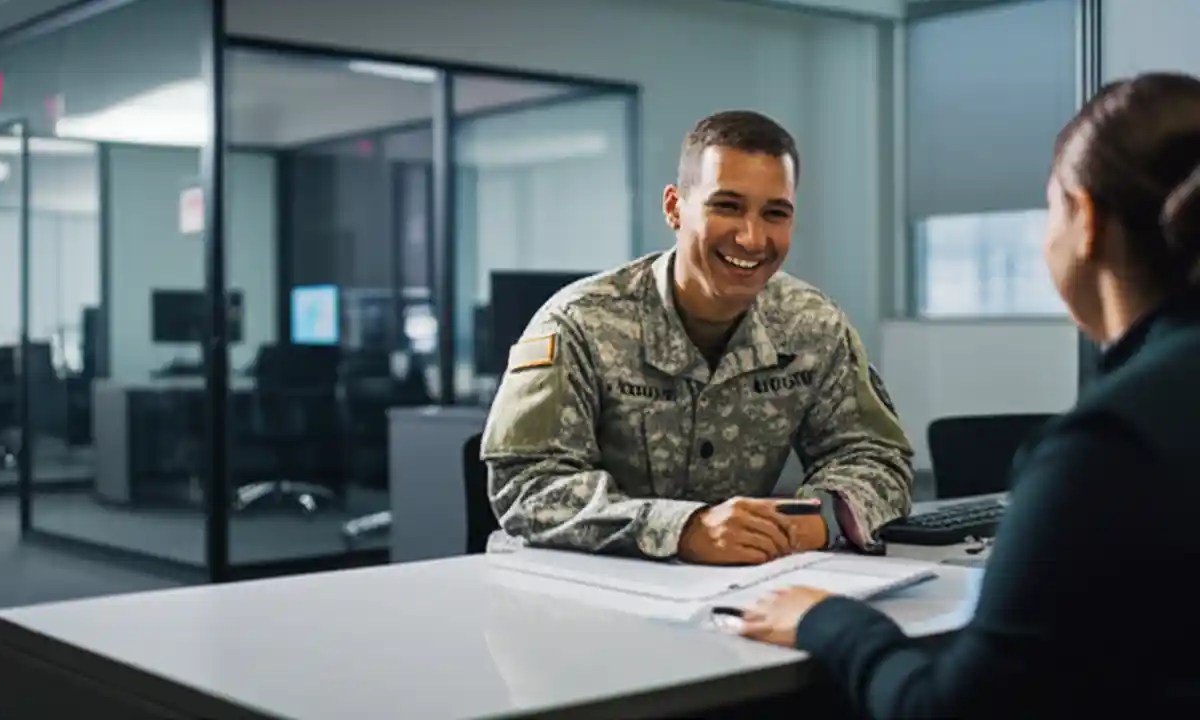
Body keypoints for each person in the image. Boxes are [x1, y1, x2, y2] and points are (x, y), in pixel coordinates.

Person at [736, 71, 1200, 716]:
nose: (752, 237)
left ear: (1084, 220)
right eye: (728, 206)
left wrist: (831, 621)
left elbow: (952, 710)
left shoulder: (1110, 446)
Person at [480, 110, 914, 566]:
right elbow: (527, 485)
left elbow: (877, 457)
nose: (752, 238)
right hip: (569, 591)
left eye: (775, 213)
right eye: (726, 206)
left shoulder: (812, 325)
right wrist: (682, 530)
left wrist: (821, 518)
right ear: (674, 207)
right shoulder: (579, 323)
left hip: (730, 589)